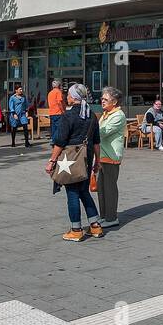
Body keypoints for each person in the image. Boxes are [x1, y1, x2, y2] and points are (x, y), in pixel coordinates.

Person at [46, 84, 102, 242]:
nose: (66, 97)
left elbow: (60, 142)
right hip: (87, 157)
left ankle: (76, 229)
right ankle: (95, 225)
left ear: (74, 97)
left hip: (70, 159)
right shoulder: (91, 115)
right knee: (84, 191)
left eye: (68, 95)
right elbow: (96, 142)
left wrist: (51, 161)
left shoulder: (68, 116)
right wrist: (97, 161)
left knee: (72, 193)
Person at [97, 86, 126, 227]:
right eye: (102, 98)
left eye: (105, 99)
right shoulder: (106, 114)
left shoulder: (118, 115)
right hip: (102, 156)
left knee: (109, 188)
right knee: (101, 188)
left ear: (114, 101)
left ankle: (112, 217)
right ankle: (104, 215)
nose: (102, 101)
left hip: (111, 156)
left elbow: (102, 132)